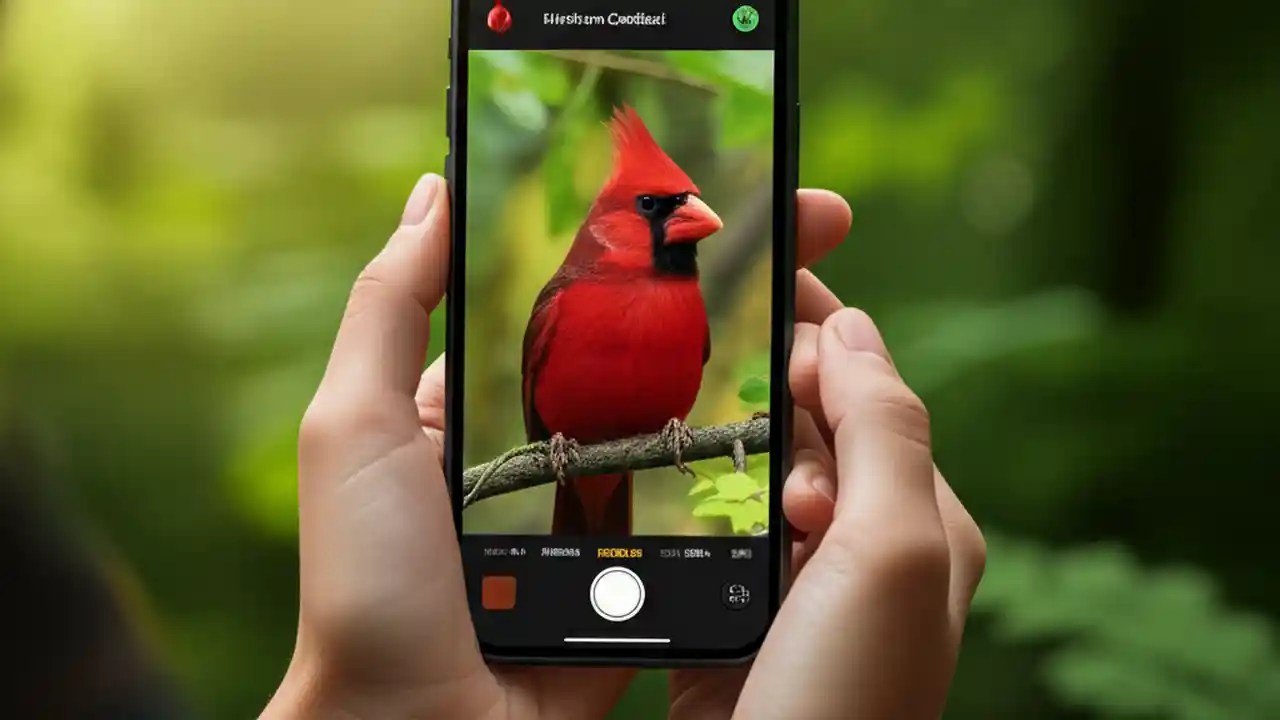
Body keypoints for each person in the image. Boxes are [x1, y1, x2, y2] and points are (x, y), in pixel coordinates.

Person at [261, 174, 986, 719]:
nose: (687, 217)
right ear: (604, 228)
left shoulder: (690, 307)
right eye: (654, 207)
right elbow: (540, 401)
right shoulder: (560, 298)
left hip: (651, 438)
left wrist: (676, 433)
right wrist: (555, 453)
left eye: (682, 204)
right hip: (567, 450)